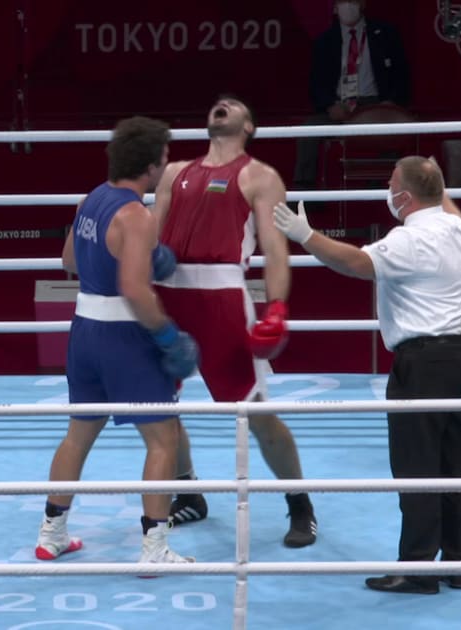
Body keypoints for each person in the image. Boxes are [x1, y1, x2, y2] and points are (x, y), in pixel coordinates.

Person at [273, 156, 461, 594]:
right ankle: (459, 563)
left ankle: (417, 570)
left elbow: (355, 263)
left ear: (404, 197)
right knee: (459, 458)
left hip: (426, 362)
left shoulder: (408, 240)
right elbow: (442, 202)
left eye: (391, 185)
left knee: (417, 464)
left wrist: (305, 236)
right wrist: (435, 180)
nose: (387, 191)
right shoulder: (457, 227)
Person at [153, 96, 318, 548]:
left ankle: (300, 504)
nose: (222, 103)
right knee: (160, 405)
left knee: (255, 410)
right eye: (218, 102)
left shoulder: (259, 176)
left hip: (221, 298)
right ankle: (188, 491)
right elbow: (150, 235)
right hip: (166, 295)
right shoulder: (173, 172)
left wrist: (277, 307)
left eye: (235, 104)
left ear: (249, 127)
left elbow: (275, 248)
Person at [35, 116, 199, 566]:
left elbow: (69, 259)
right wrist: (167, 334)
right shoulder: (136, 215)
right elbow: (135, 290)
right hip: (124, 338)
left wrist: (136, 256)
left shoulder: (91, 199)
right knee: (163, 439)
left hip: (84, 331)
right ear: (150, 166)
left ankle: (51, 534)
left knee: (78, 435)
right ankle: (154, 548)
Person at [293, 0, 410, 192]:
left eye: (352, 1)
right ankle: (304, 191)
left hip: (374, 105)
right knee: (308, 130)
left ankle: (377, 185)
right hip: (341, 106)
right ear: (335, 8)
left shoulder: (386, 34)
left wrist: (390, 103)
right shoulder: (325, 41)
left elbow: (401, 75)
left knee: (395, 125)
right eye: (342, 2)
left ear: (362, 4)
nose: (348, 6)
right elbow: (316, 84)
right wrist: (330, 106)